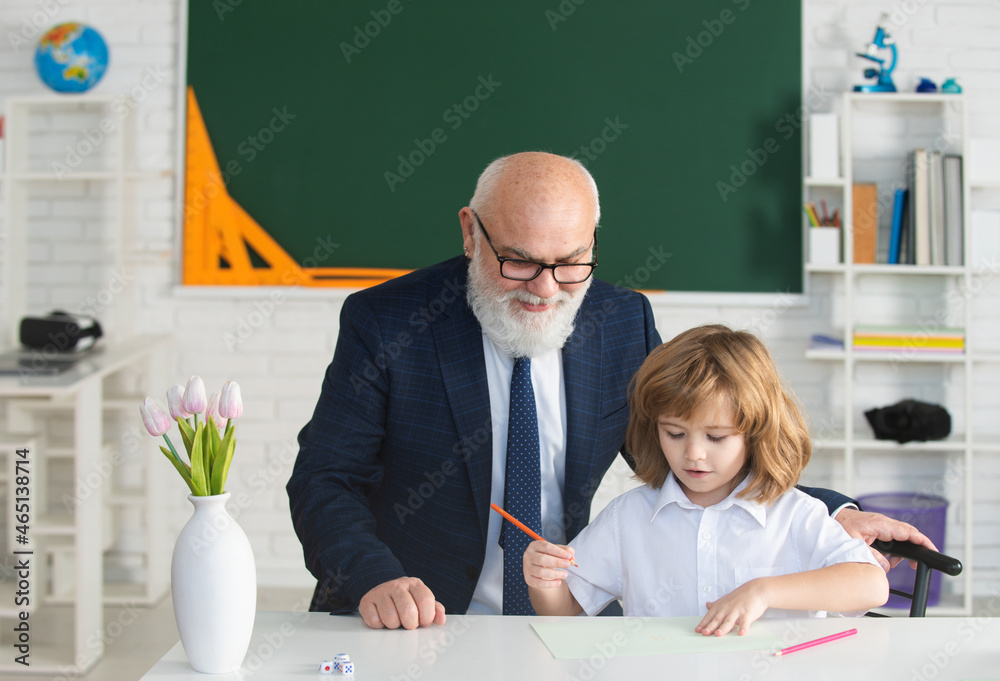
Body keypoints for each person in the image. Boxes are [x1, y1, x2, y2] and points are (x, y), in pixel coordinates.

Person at [287, 151, 929, 631]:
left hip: (559, 616)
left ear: (594, 240)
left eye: (570, 262)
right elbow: (324, 478)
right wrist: (376, 577)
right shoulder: (388, 322)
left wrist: (834, 512)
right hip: (413, 619)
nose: (544, 288)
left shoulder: (622, 321)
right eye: (517, 260)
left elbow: (693, 448)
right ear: (468, 231)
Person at [524, 325, 890, 634]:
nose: (694, 454)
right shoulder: (629, 516)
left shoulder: (793, 513)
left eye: (716, 438)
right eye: (675, 433)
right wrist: (543, 582)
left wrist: (763, 591)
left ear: (756, 433)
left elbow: (871, 585)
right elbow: (566, 610)